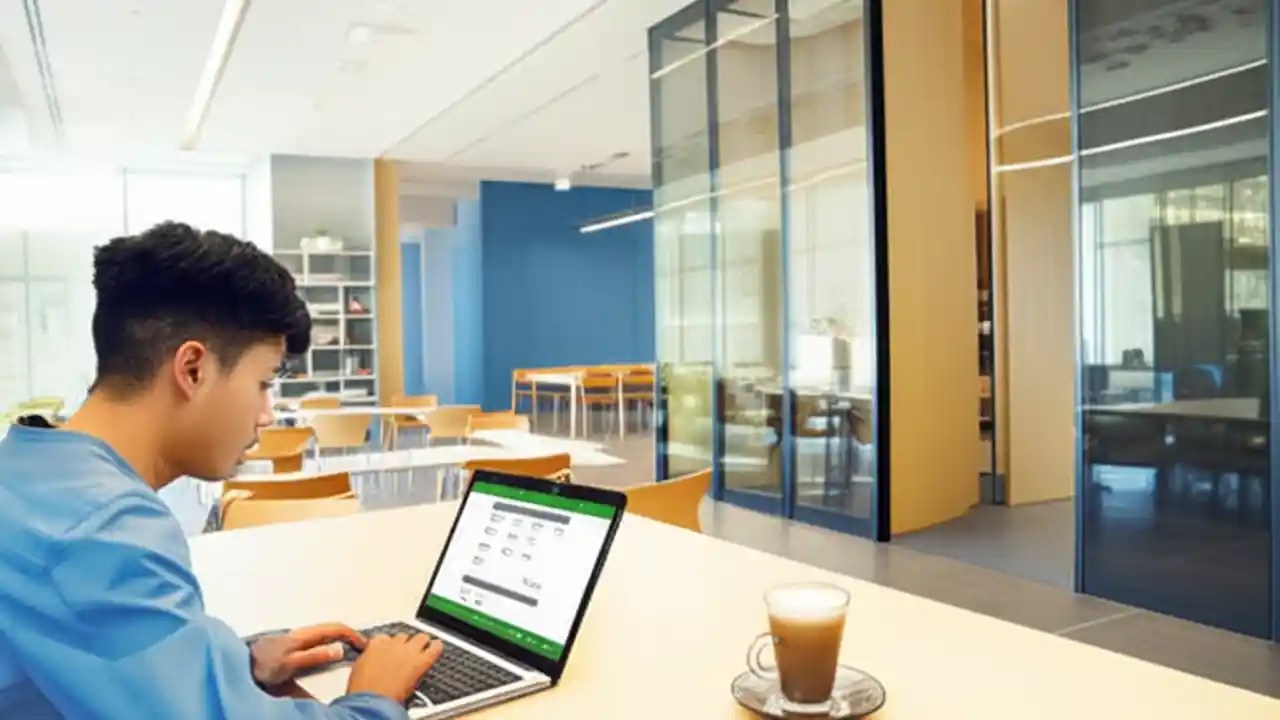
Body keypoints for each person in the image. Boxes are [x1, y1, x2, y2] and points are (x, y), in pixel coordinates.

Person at [0, 222, 440, 719]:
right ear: (192, 369)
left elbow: (95, 655)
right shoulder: (101, 535)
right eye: (263, 383)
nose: (267, 413)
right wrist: (373, 700)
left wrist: (233, 665)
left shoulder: (26, 471)